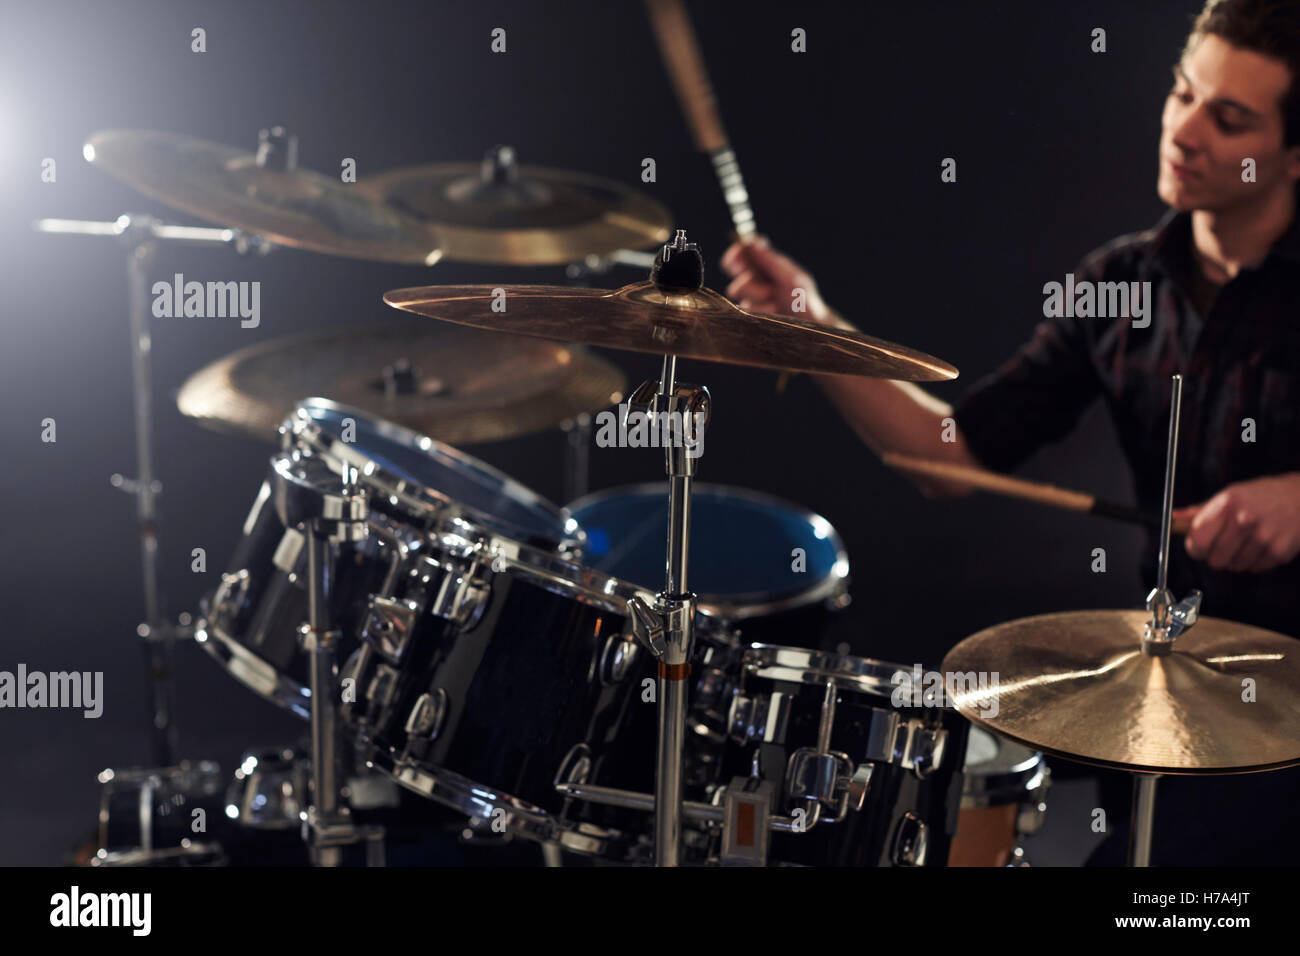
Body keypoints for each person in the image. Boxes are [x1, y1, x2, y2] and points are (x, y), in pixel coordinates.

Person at [722, 0, 1300, 866]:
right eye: (1183, 95)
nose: (1185, 131)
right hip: (1176, 710)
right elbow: (948, 459)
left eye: (1230, 120)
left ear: (1294, 153)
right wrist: (806, 325)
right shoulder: (1119, 285)